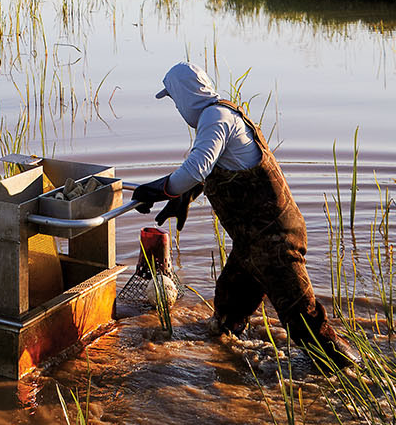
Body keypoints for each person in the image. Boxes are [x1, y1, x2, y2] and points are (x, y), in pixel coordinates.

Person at [134, 61, 359, 369]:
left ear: (184, 97)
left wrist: (162, 189)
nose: (177, 109)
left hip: (274, 240)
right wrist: (185, 195)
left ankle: (359, 378)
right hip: (252, 243)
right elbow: (223, 171)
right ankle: (227, 364)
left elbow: (197, 167)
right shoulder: (218, 118)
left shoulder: (216, 118)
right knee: (227, 312)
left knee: (305, 322)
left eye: (174, 100)